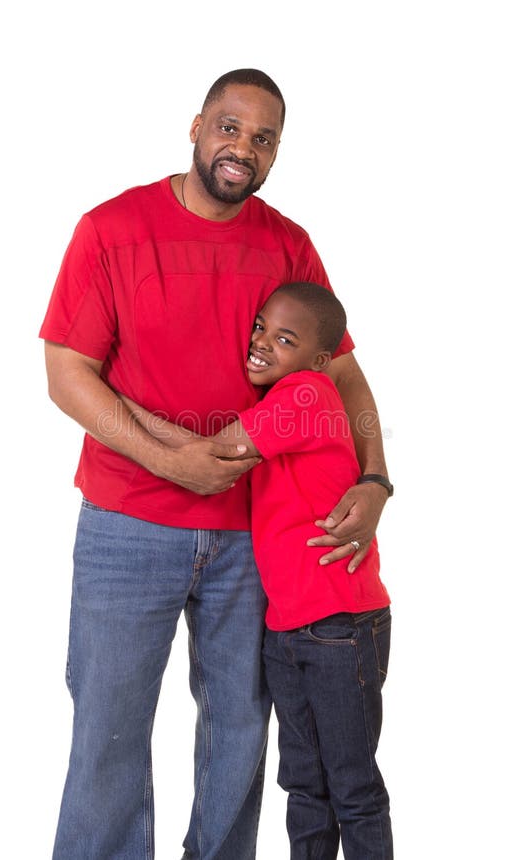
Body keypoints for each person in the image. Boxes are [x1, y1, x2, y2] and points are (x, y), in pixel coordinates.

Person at [40, 68, 392, 859]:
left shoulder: (288, 245)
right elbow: (67, 374)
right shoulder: (111, 229)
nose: (243, 148)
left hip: (253, 537)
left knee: (239, 734)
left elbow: (344, 376)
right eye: (230, 127)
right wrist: (175, 461)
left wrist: (376, 479)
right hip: (127, 524)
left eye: (264, 138)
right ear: (197, 126)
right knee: (108, 732)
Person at [124, 283, 393, 859]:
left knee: (352, 788)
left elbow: (213, 453)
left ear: (320, 360)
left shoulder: (306, 395)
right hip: (289, 625)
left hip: (339, 624)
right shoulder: (278, 404)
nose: (263, 343)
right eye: (260, 328)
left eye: (286, 339)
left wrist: (124, 413)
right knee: (304, 784)